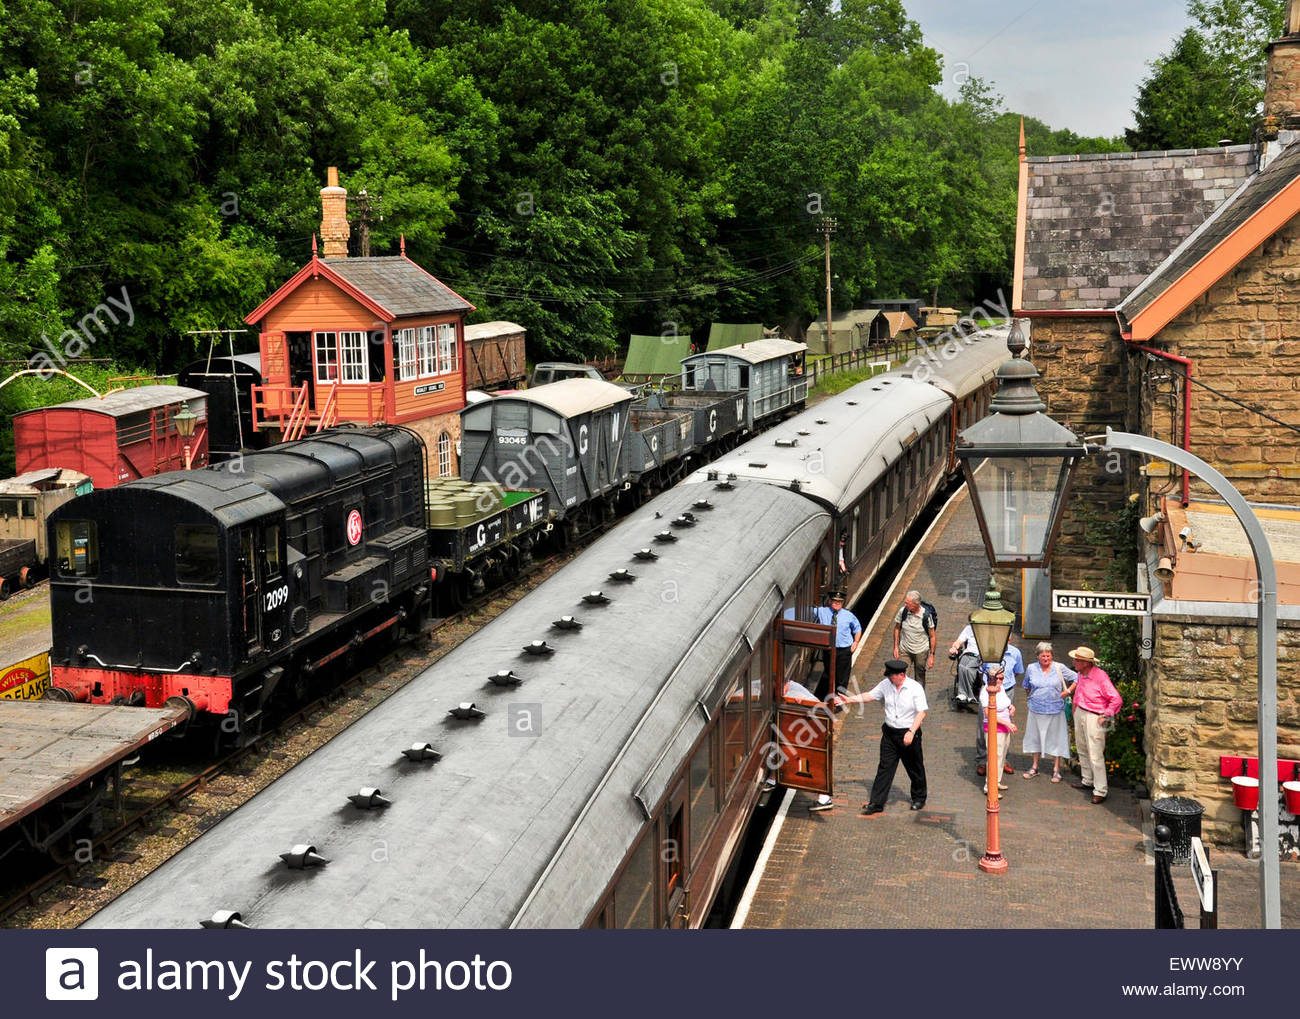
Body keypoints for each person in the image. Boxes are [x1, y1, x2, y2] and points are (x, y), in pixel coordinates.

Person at [837, 658, 929, 814]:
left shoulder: (915, 688)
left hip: (908, 733)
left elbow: (922, 712)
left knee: (914, 767)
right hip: (890, 733)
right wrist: (850, 699)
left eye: (892, 676)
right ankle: (877, 803)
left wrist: (912, 732)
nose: (889, 678)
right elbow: (871, 695)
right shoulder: (886, 684)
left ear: (901, 675)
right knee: (885, 768)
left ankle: (919, 798)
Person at [1065, 646, 1122, 803]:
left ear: (1085, 663)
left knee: (1095, 754)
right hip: (1081, 713)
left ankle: (1100, 790)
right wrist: (1075, 710)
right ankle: (1087, 780)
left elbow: (1116, 699)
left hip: (1094, 716)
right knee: (1082, 748)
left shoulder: (1100, 676)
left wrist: (1107, 715)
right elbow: (1079, 693)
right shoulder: (1081, 674)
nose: (1074, 662)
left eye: (1077, 660)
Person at [1021, 642, 1076, 783]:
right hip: (1036, 709)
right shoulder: (1031, 668)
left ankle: (1056, 769)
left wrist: (1068, 691)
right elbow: (1026, 686)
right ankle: (1034, 767)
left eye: (1048, 655)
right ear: (1038, 656)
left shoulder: (1059, 667)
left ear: (1052, 655)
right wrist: (1034, 697)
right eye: (1043, 655)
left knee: (1056, 738)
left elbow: (1077, 678)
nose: (1046, 658)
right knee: (1035, 738)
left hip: (1055, 710)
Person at [782, 677, 835, 813]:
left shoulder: (798, 693)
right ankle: (771, 779)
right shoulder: (780, 689)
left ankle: (824, 798)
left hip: (811, 731)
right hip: (798, 730)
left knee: (814, 762)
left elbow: (821, 710)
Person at [974, 640, 1024, 777]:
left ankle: (1003, 761)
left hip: (1007, 690)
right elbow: (980, 672)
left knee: (1005, 728)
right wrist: (989, 686)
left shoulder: (1015, 653)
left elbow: (1017, 672)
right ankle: (983, 760)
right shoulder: (986, 652)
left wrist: (1003, 684)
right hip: (989, 689)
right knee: (984, 725)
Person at [811, 590, 862, 700]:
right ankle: (827, 698)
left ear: (842, 603)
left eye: (839, 602)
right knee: (828, 675)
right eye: (834, 601)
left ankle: (839, 701)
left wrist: (856, 642)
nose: (837, 603)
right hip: (828, 650)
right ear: (830, 601)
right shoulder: (821, 612)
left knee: (842, 678)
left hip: (844, 651)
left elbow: (857, 628)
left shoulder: (849, 615)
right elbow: (806, 611)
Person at [978, 667, 1017, 797]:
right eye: (998, 678)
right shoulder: (986, 691)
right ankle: (989, 786)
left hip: (1005, 728)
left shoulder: (1001, 689)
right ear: (991, 678)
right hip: (994, 729)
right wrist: (1007, 723)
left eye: (1002, 678)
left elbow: (1006, 703)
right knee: (994, 757)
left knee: (1001, 757)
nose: (1001, 681)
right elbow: (989, 714)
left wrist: (1011, 707)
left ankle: (997, 782)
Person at [892, 590, 937, 688]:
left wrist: (932, 655)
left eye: (907, 603)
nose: (905, 605)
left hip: (921, 651)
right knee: (901, 675)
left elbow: (932, 636)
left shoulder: (926, 615)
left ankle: (918, 699)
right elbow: (897, 628)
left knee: (919, 678)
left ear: (916, 604)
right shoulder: (903, 611)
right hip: (905, 650)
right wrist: (896, 647)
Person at [946, 623, 981, 706]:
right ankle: (962, 694)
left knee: (968, 668)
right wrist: (954, 647)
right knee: (962, 666)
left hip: (980, 656)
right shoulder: (969, 628)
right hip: (969, 653)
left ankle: (969, 695)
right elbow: (959, 641)